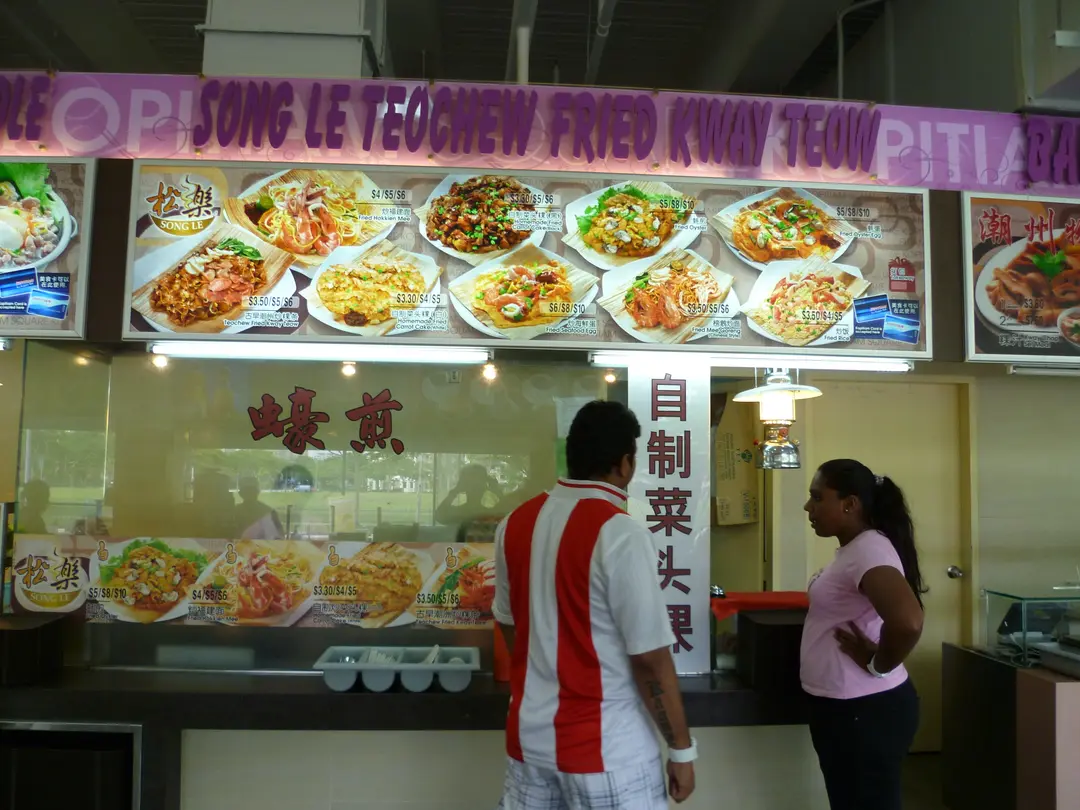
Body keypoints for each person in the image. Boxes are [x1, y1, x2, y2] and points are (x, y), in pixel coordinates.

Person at [494, 400, 696, 809]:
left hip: (528, 746)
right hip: (609, 752)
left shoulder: (513, 523)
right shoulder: (620, 533)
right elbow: (650, 660)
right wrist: (681, 751)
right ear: (625, 464)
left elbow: (511, 626)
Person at [801, 458, 926, 810]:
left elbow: (908, 622)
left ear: (849, 504)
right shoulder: (856, 549)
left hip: (863, 710)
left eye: (816, 497)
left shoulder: (869, 549)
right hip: (845, 708)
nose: (808, 507)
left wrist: (878, 663)